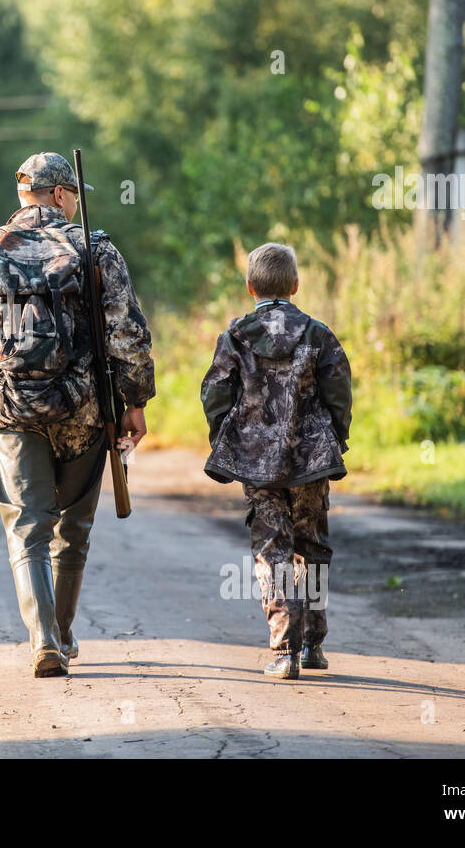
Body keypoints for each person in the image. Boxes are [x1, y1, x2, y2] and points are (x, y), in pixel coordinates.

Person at [0, 152, 155, 677]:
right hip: (82, 408)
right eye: (75, 194)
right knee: (73, 526)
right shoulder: (94, 249)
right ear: (60, 194)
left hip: (11, 406)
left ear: (23, 195)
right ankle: (61, 629)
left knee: (26, 526)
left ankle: (44, 640)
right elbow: (126, 332)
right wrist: (135, 401)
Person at [200, 242, 352, 679]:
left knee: (274, 551)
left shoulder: (235, 336)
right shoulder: (317, 333)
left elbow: (214, 393)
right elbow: (339, 393)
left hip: (257, 463)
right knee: (313, 547)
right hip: (312, 463)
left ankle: (283, 652)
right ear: (296, 286)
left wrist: (227, 438)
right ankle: (313, 646)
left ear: (250, 287)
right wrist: (333, 439)